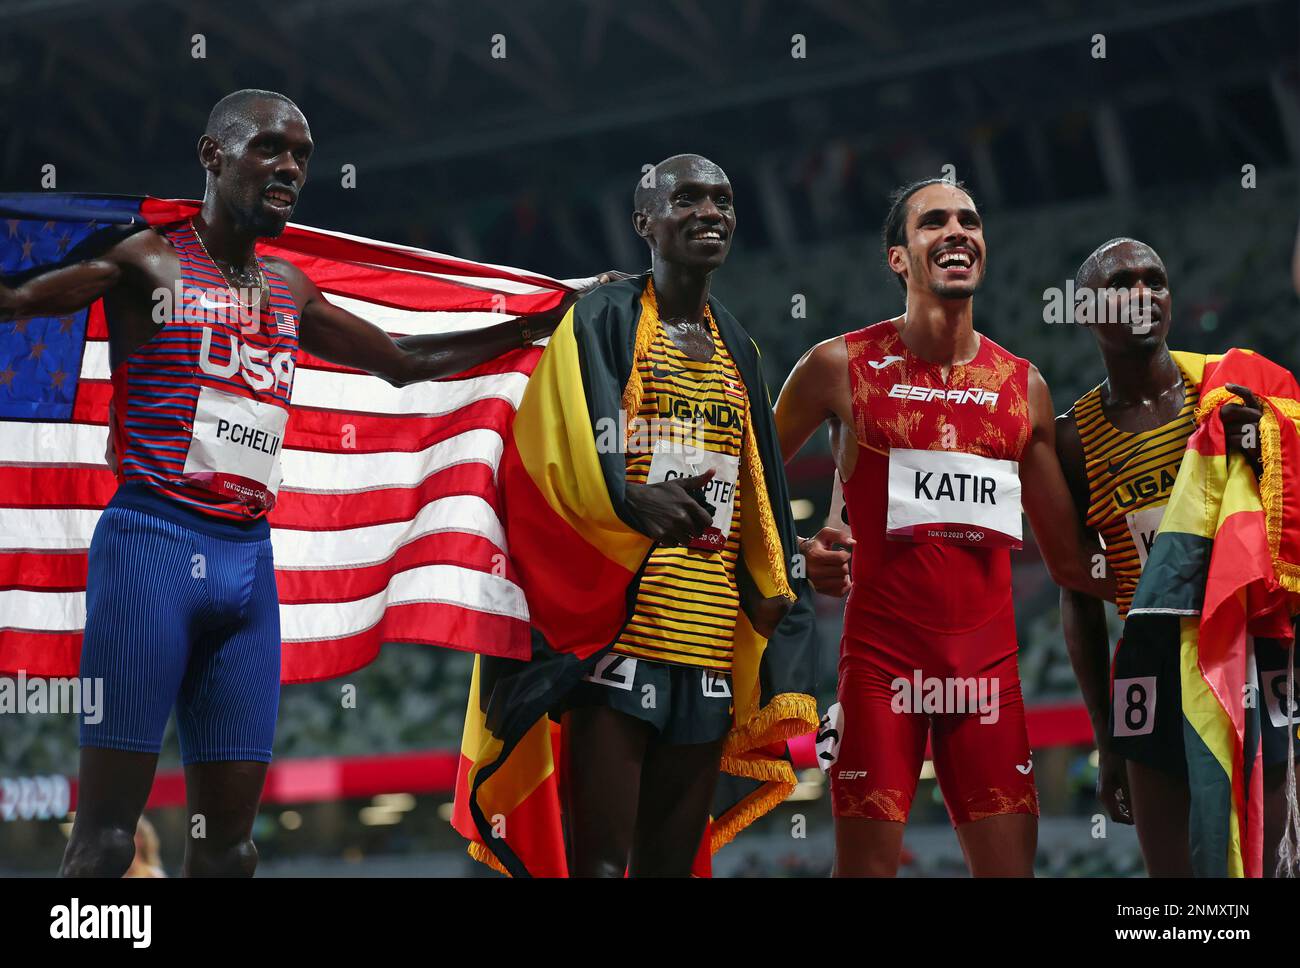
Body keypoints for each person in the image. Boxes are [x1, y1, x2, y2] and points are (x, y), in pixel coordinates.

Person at [0, 89, 598, 877]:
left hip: (249, 566)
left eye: (301, 156)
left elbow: (403, 363)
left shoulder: (289, 288)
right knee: (108, 839)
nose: (289, 167)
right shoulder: (148, 261)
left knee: (231, 851)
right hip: (151, 547)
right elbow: (15, 300)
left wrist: (539, 322)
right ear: (213, 157)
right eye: (269, 149)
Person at [453, 154, 818, 877]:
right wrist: (625, 495)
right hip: (614, 639)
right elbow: (553, 447)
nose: (710, 212)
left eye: (723, 199)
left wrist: (793, 566)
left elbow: (755, 497)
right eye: (687, 198)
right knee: (599, 867)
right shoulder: (605, 317)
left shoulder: (738, 346)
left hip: (709, 644)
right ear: (643, 221)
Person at [775, 177, 1113, 877]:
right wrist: (799, 551)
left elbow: (1073, 562)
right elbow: (744, 487)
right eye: (934, 222)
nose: (957, 230)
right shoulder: (835, 368)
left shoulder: (1025, 388)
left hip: (987, 676)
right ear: (899, 257)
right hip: (879, 673)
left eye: (970, 220)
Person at [1056, 237, 1298, 875]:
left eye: (1155, 280)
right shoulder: (1074, 438)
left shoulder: (1230, 395)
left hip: (1244, 650)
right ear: (1083, 310)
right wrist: (1105, 741)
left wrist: (1267, 452)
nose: (1143, 294)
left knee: (1263, 863)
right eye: (1121, 283)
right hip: (1150, 662)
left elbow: (1290, 522)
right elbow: (1077, 594)